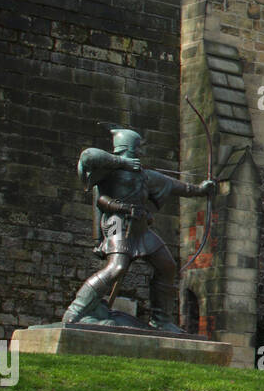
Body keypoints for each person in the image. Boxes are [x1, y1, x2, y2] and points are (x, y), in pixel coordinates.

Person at [63, 127, 215, 331]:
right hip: (118, 224)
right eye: (136, 149)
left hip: (140, 229)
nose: (140, 154)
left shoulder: (146, 176)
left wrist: (201, 190)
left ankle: (161, 321)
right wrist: (122, 162)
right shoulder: (109, 170)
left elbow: (177, 186)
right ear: (127, 149)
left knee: (167, 267)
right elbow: (87, 156)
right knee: (117, 267)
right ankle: (75, 311)